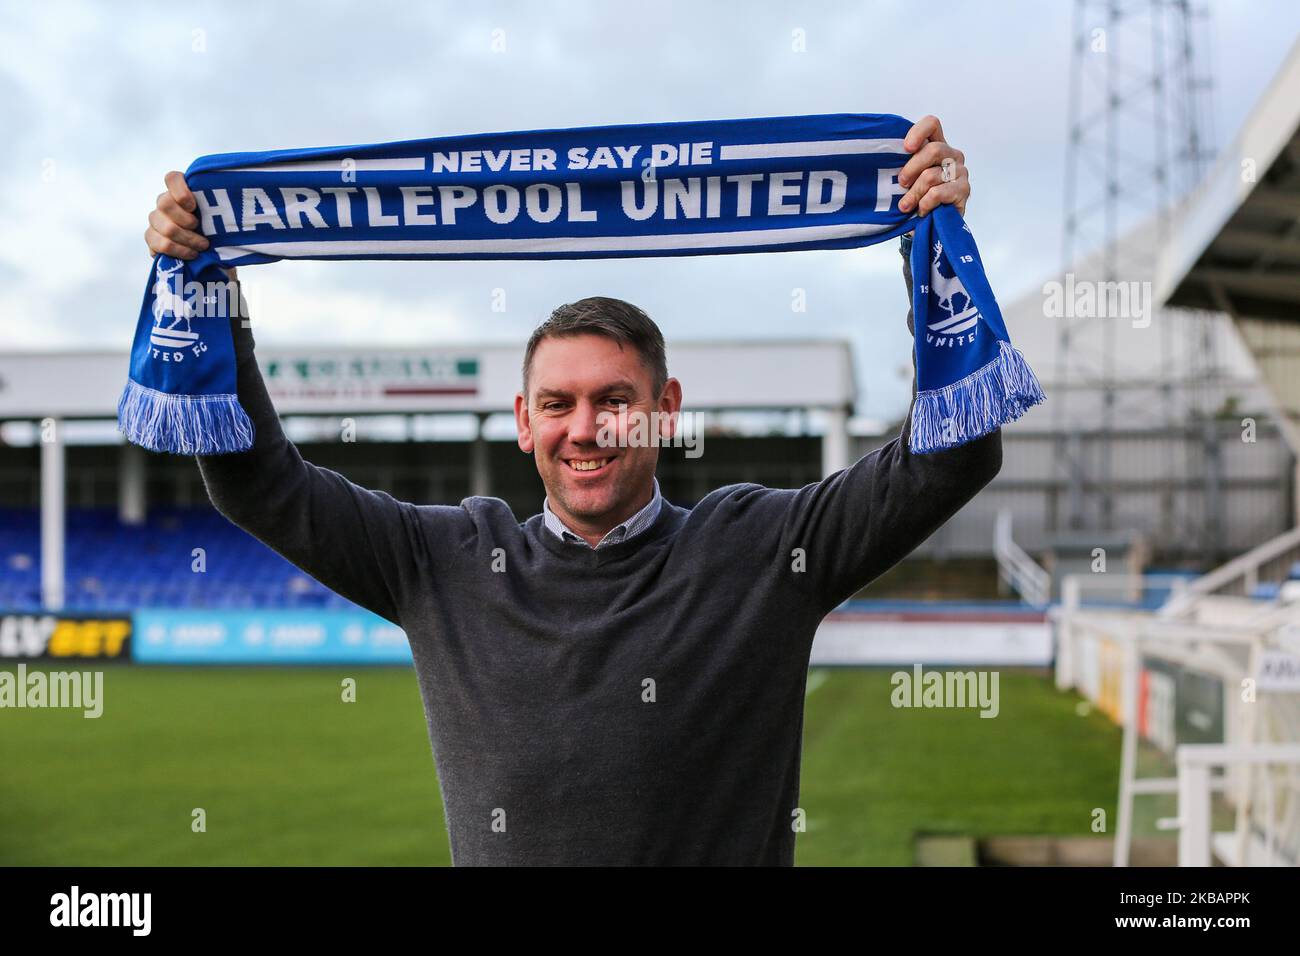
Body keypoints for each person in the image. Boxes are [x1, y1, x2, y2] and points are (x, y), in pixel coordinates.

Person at [143, 115, 997, 866]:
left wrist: (933, 241)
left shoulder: (762, 550)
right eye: (558, 404)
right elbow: (259, 484)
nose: (583, 430)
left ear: (665, 411)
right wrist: (213, 294)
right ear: (524, 419)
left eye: (614, 400)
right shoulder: (441, 560)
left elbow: (948, 458)